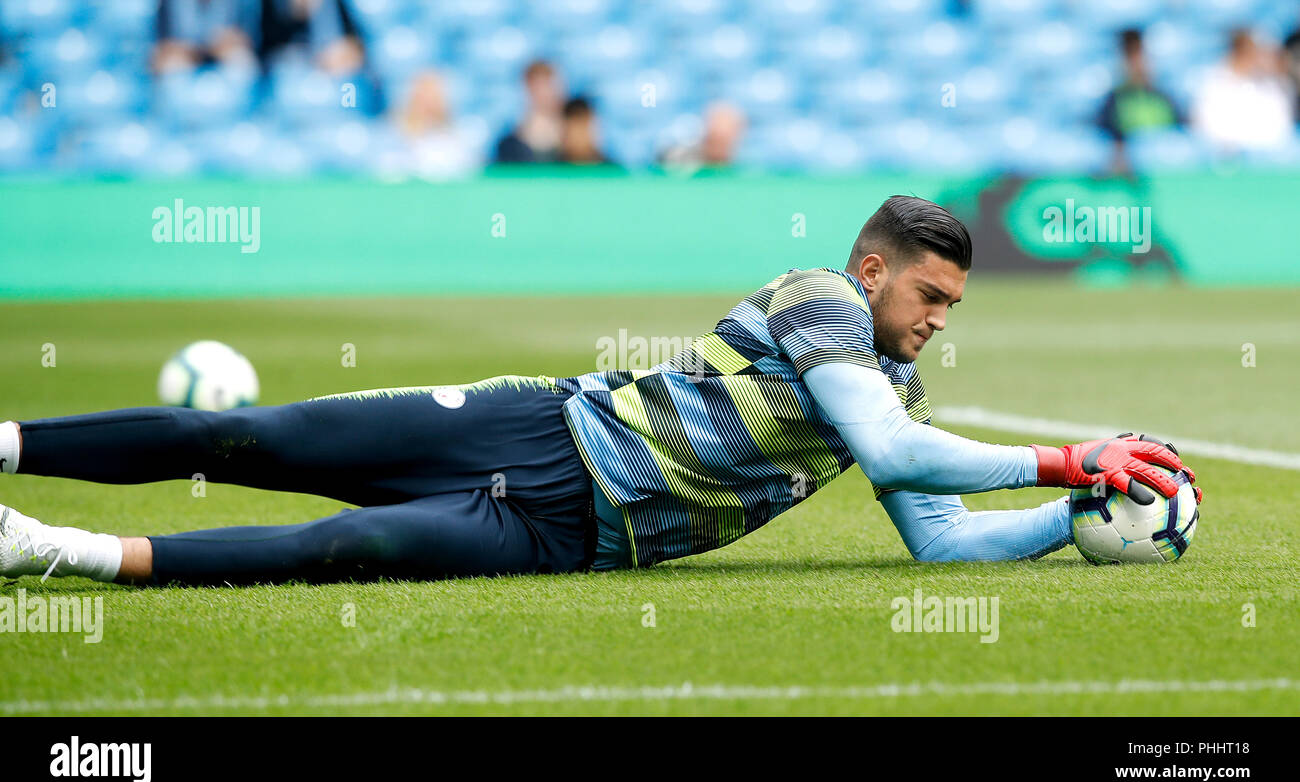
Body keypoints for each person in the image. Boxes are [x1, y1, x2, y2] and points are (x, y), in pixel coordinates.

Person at [0, 196, 1200, 586]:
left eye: (953, 306)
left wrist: (1078, 513)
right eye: (928, 294)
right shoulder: (819, 299)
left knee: (345, 542)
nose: (937, 318)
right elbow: (890, 456)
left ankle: (48, 547)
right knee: (250, 433)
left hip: (569, 528)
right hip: (548, 419)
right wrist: (1065, 456)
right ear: (872, 268)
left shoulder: (888, 389)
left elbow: (934, 538)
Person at [1191, 29, 1295, 152]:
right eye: (1248, 52)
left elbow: (1281, 130)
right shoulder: (1213, 82)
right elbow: (1205, 129)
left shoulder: (1272, 85)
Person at [1096, 29, 1181, 173]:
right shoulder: (1114, 100)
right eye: (1132, 57)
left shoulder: (1164, 97)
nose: (1139, 64)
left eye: (1142, 56)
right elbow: (1109, 138)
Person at [394, 70, 479, 180]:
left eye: (432, 94)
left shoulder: (456, 138)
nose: (427, 100)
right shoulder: (394, 133)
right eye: (422, 93)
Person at [152, 0, 258, 74]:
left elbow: (247, 39)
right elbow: (162, 47)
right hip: (182, 58)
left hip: (225, 57)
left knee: (240, 61)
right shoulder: (167, 4)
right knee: (171, 66)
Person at [494, 60, 565, 163]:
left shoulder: (574, 143)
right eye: (539, 86)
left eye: (549, 85)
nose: (546, 93)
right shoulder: (509, 145)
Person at [660, 101, 748, 173]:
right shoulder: (678, 162)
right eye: (714, 137)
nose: (718, 137)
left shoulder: (746, 169)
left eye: (722, 139)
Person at [556, 96, 613, 165]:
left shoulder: (612, 170)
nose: (579, 135)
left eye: (583, 126)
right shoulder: (550, 169)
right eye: (574, 127)